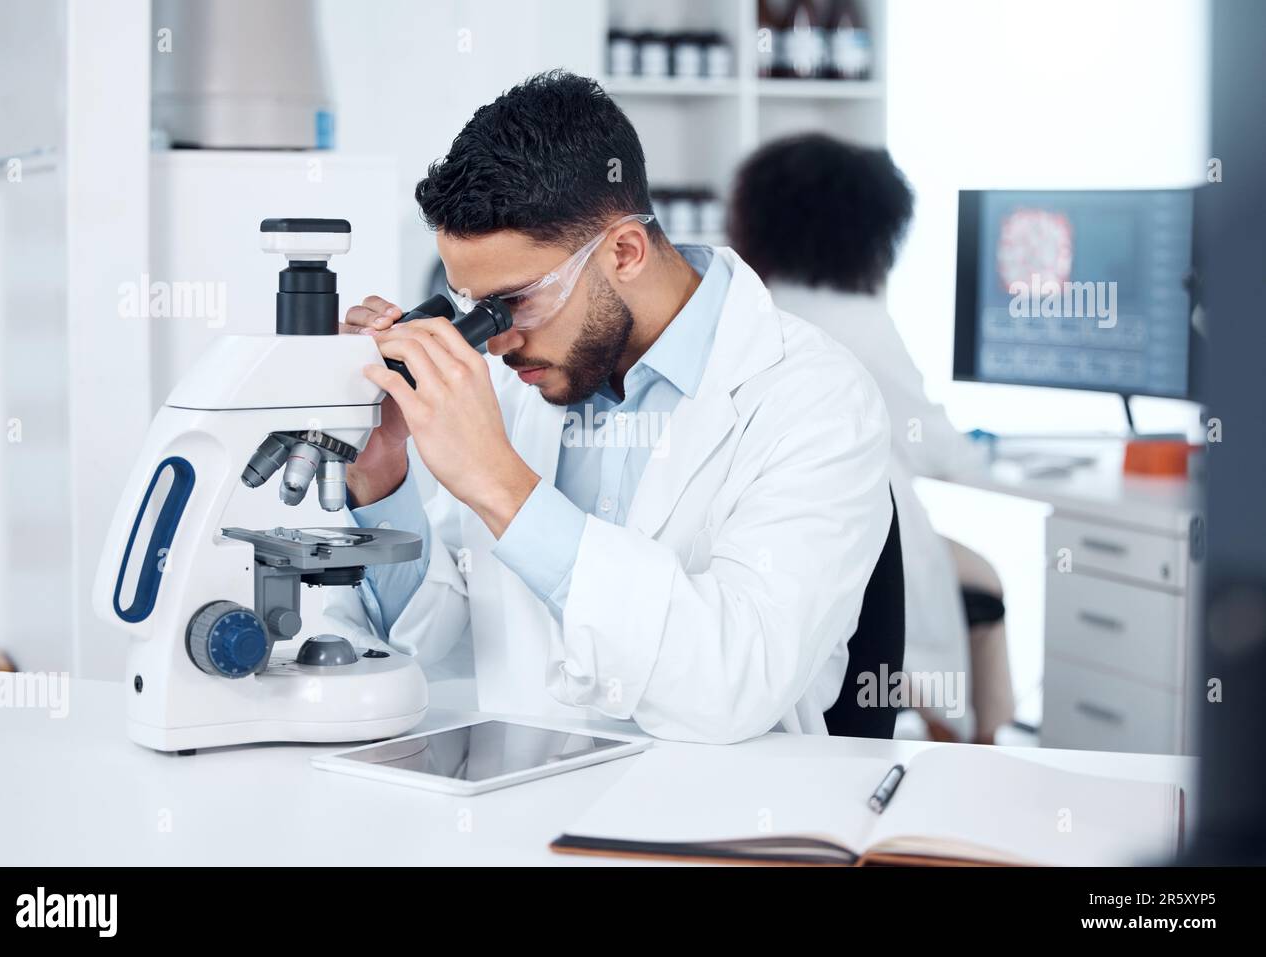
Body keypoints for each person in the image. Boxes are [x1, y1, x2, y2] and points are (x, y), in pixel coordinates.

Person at [324, 72, 894, 745]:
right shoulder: (522, 379)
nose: (496, 339)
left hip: (713, 825)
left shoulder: (817, 398)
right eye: (475, 308)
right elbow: (448, 637)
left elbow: (731, 684)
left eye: (515, 302)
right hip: (528, 812)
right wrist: (383, 475)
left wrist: (502, 485)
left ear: (624, 251)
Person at [728, 132, 1015, 744]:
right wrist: (998, 456)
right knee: (984, 576)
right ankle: (978, 745)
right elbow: (942, 451)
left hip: (760, 532)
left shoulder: (746, 305)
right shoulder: (860, 321)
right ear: (871, 230)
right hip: (868, 532)